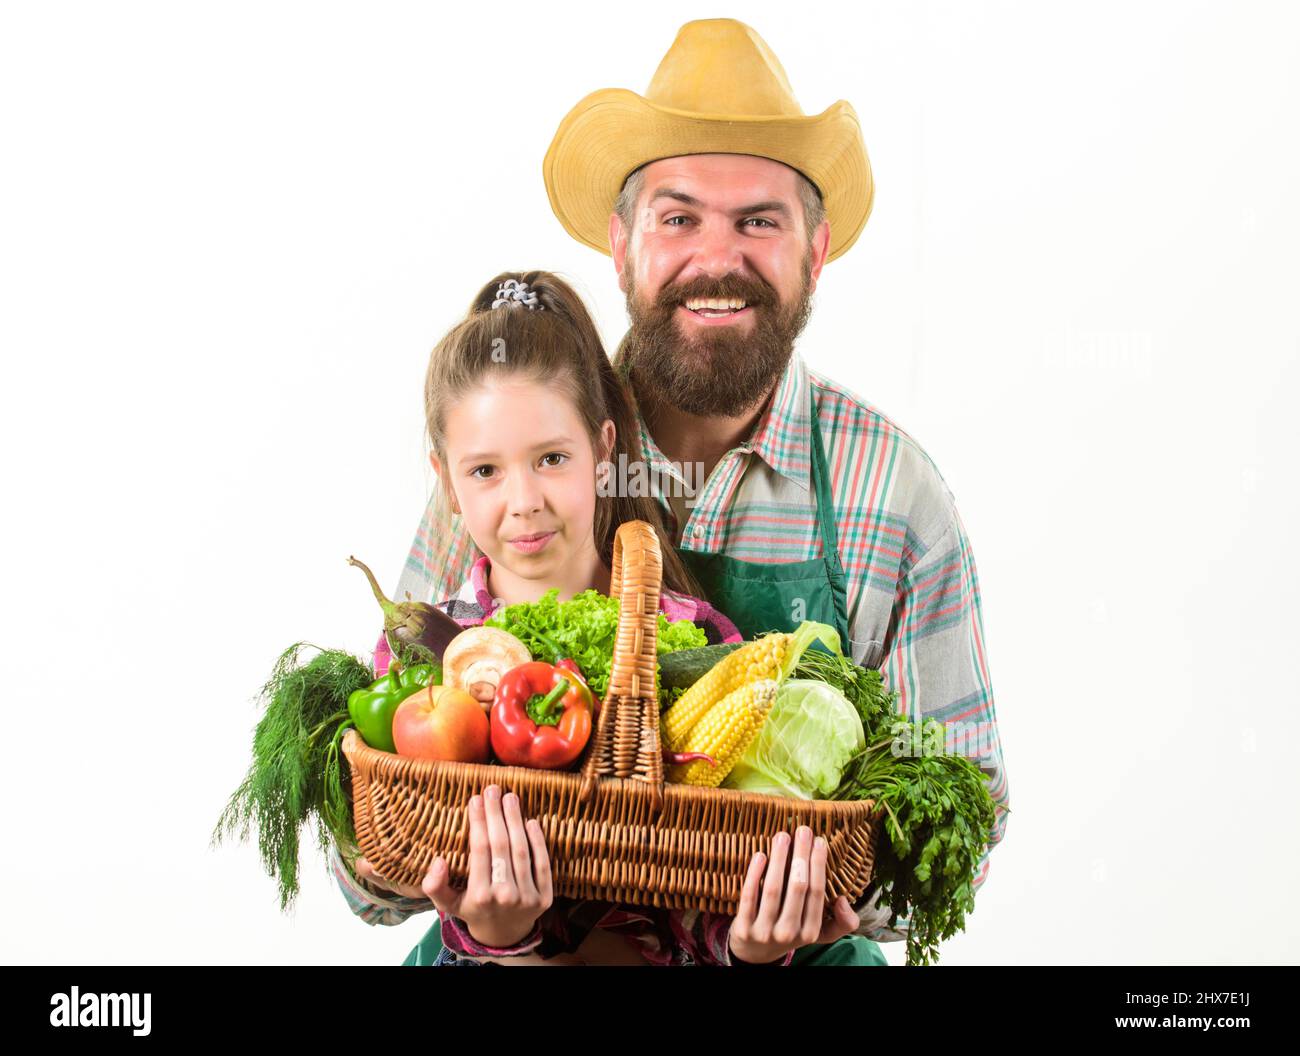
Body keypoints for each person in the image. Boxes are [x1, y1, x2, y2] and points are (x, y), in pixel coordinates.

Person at [367, 17, 1011, 962]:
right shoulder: (508, 463)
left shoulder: (895, 497)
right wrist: (483, 912)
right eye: (679, 218)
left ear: (815, 249)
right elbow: (368, 862)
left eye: (759, 220)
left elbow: (961, 817)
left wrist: (820, 905)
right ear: (623, 245)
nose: (718, 258)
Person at [331, 270, 881, 966]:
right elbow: (390, 860)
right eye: (485, 472)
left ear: (603, 452)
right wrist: (496, 936)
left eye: (552, 459)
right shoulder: (419, 656)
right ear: (445, 479)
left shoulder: (693, 635)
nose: (523, 500)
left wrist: (752, 948)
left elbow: (716, 864)